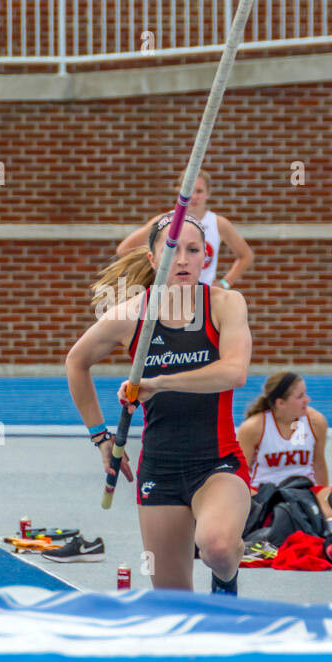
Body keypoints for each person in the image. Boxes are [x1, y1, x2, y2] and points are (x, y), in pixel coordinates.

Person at [65, 214, 252, 594]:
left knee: (216, 546)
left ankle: (225, 580)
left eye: (193, 250)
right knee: (172, 602)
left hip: (217, 464)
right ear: (153, 260)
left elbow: (234, 373)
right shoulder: (132, 315)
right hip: (160, 471)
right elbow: (76, 362)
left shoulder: (225, 305)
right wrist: (101, 438)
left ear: (205, 257)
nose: (182, 259)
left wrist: (159, 383)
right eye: (172, 250)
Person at [115, 169, 253, 288]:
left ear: (208, 193)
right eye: (189, 190)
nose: (194, 196)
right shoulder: (165, 221)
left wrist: (225, 283)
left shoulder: (218, 223)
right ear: (180, 191)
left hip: (202, 298)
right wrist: (150, 272)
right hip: (170, 297)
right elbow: (124, 249)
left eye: (199, 191)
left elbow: (246, 256)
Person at [237, 371, 329, 495]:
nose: (307, 400)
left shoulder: (316, 421)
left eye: (305, 394)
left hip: (304, 492)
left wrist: (325, 496)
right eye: (300, 396)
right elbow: (240, 473)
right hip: (264, 493)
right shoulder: (253, 427)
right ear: (280, 403)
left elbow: (319, 465)